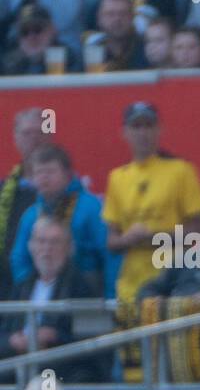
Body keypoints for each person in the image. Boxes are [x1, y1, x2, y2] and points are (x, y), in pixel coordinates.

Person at [102, 102, 200, 304]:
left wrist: (154, 236)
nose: (143, 133)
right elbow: (111, 241)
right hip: (131, 286)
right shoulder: (117, 177)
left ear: (160, 130)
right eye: (136, 127)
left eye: (149, 126)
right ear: (124, 132)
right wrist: (129, 239)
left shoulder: (181, 171)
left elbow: (198, 232)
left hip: (172, 282)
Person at [10, 143, 117, 296]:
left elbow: (108, 253)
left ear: (68, 175)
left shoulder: (91, 207)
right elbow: (19, 259)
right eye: (39, 172)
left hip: (86, 292)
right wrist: (28, 290)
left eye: (50, 171)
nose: (44, 177)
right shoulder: (30, 215)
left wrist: (111, 297)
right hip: (41, 290)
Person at [1, 216, 99, 362]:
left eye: (55, 242)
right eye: (41, 242)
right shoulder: (21, 287)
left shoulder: (82, 287)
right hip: (18, 365)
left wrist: (55, 336)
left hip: (62, 370)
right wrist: (11, 340)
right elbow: (4, 331)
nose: (47, 249)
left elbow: (93, 341)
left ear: (69, 248)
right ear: (31, 247)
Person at [2, 109, 51, 301]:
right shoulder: (5, 189)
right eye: (27, 133)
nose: (34, 138)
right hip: (7, 288)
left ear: (49, 137)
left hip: (49, 287)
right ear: (15, 138)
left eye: (39, 132)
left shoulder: (64, 189)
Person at [2, 1, 81, 74]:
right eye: (25, 31)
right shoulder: (8, 65)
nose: (31, 36)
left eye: (38, 29)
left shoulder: (69, 61)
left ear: (52, 30)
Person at [85, 0, 149, 71]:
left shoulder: (147, 50)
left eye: (123, 13)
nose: (117, 19)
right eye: (110, 14)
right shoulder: (90, 53)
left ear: (132, 17)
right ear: (99, 19)